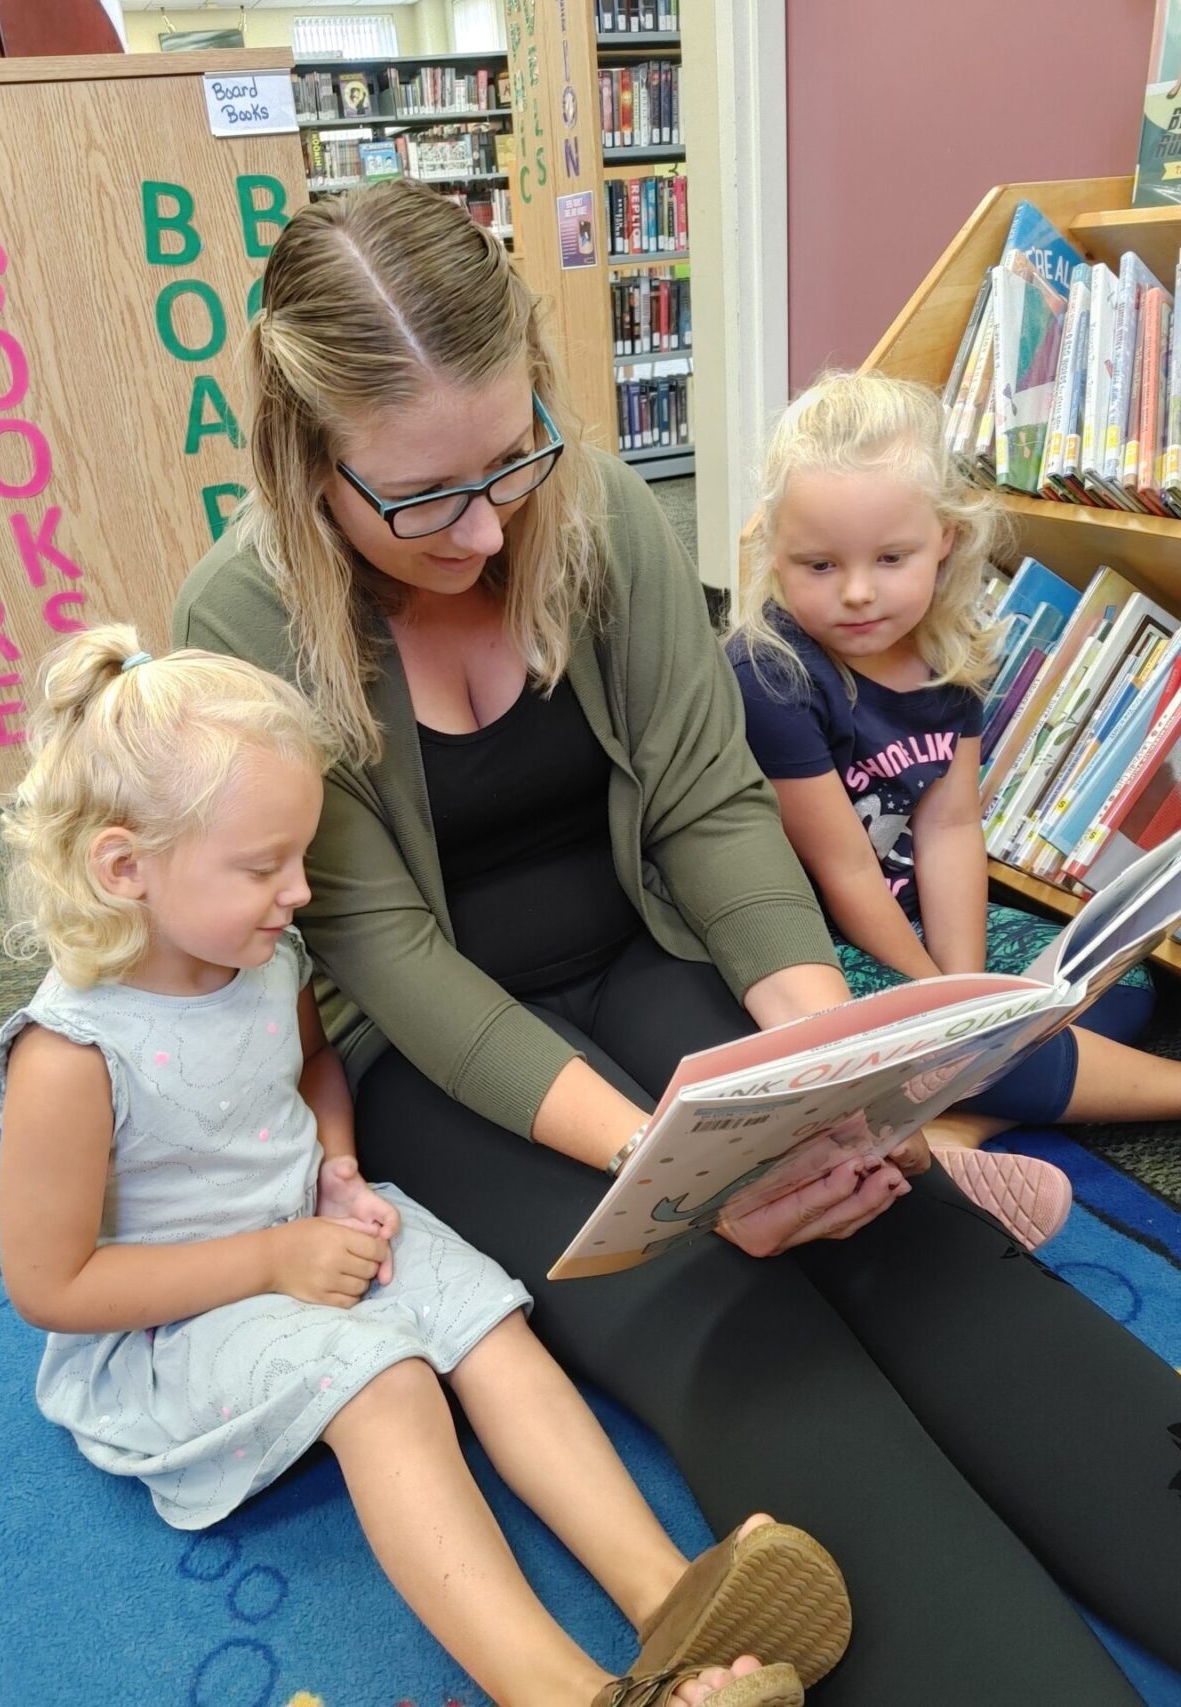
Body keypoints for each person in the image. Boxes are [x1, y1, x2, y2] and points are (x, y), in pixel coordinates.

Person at [173, 182, 1181, 1705]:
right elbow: (385, 952)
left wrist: (821, 1060)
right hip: (438, 1053)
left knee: (892, 1216)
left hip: (640, 941)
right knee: (712, 1308)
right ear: (311, 463)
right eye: (427, 494)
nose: (490, 522)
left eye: (514, 455)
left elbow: (713, 810)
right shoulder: (239, 617)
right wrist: (685, 1169)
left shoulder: (601, 520)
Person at [0, 625, 856, 1707]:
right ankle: (570, 1693)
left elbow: (309, 1071)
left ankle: (668, 1597)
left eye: (299, 856)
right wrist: (271, 1259)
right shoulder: (69, 1057)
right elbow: (51, 1288)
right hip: (172, 1313)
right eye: (263, 866)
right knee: (387, 1385)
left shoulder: (258, 953)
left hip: (311, 1228)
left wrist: (338, 1169)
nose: (299, 891)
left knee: (491, 1322)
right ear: (124, 870)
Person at [727, 369, 1181, 1241]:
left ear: (944, 541)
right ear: (774, 554)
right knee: (930, 1048)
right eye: (819, 565)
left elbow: (951, 824)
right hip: (814, 948)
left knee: (1116, 990)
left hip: (904, 922)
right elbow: (845, 866)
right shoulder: (771, 674)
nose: (857, 593)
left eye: (889, 559)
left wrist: (973, 992)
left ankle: (947, 1133)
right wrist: (948, 1002)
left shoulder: (943, 656)